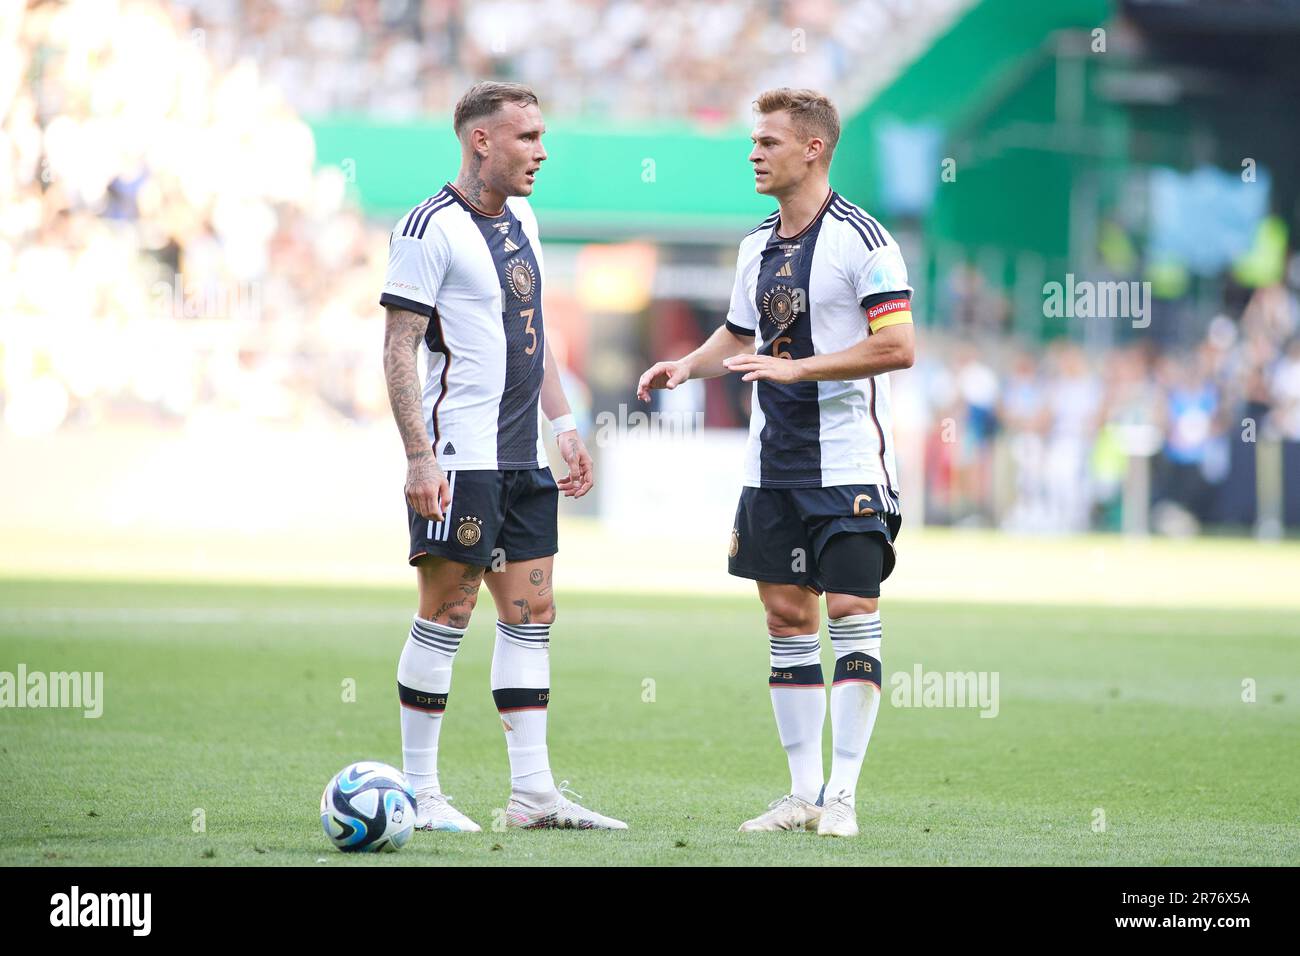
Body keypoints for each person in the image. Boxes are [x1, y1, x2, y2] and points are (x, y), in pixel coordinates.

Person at [636, 88, 915, 837]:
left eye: (767, 142)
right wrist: (686, 368)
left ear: (813, 149)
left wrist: (800, 369)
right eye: (752, 142)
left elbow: (898, 347)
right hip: (772, 469)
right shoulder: (755, 243)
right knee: (787, 617)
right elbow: (737, 334)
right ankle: (803, 793)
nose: (753, 154)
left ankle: (845, 797)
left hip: (849, 467)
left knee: (852, 612)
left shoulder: (865, 240)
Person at [380, 81, 626, 832]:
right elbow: (397, 349)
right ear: (481, 141)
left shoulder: (524, 216)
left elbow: (536, 326)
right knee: (448, 610)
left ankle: (533, 796)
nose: (541, 152)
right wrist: (420, 458)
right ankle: (421, 795)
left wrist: (566, 423)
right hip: (460, 458)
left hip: (524, 458)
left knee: (532, 611)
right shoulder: (426, 228)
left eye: (542, 136)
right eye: (526, 138)